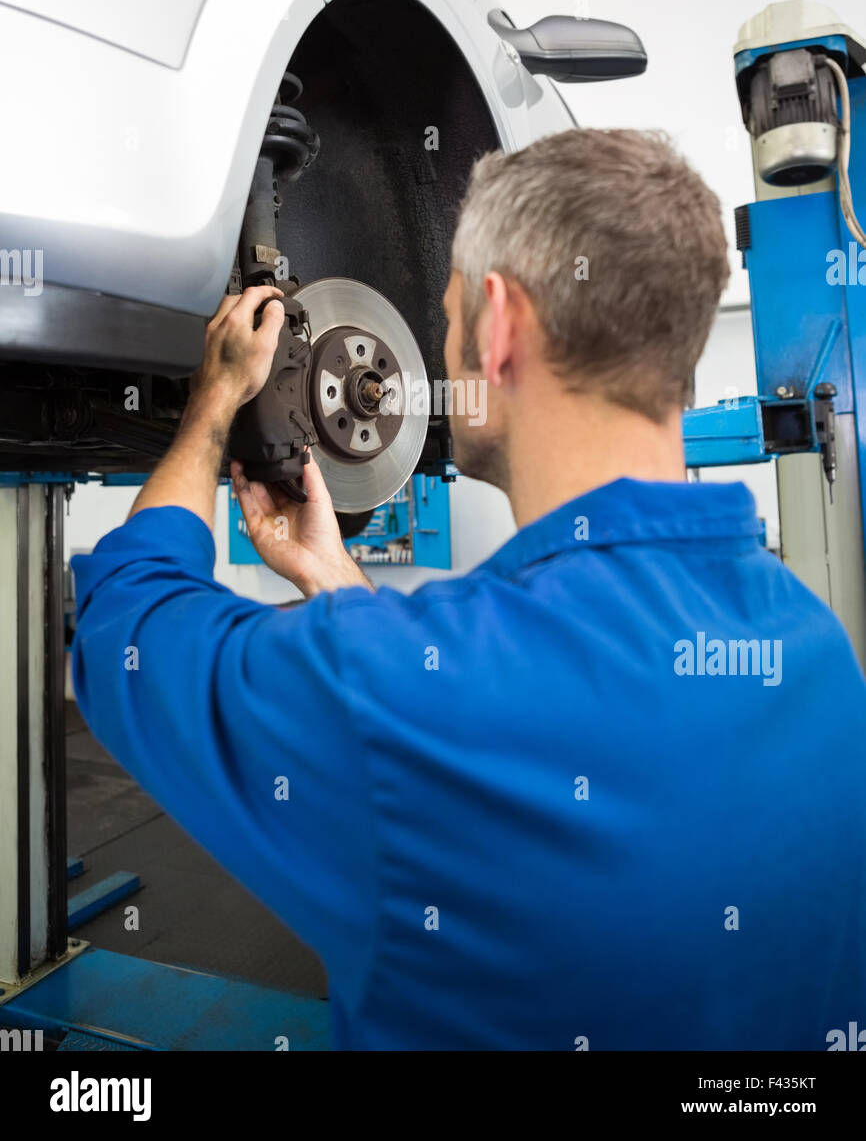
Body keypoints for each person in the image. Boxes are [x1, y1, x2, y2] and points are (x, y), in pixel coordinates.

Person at [72, 128, 866, 1051]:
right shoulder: (816, 656)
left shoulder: (402, 696)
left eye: (446, 319)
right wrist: (335, 580)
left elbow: (122, 619)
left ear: (502, 324)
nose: (437, 356)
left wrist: (211, 405)